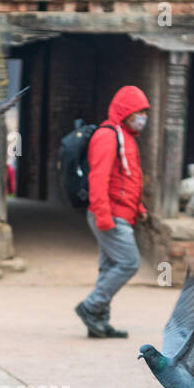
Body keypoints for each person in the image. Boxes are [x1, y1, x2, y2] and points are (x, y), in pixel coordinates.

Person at [74, 85, 151, 339]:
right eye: (139, 112)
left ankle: (99, 322)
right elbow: (99, 178)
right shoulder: (107, 136)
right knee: (129, 263)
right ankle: (90, 307)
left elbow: (127, 179)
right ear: (126, 112)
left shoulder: (127, 137)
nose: (143, 117)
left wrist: (138, 208)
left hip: (123, 213)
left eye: (144, 112)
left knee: (109, 268)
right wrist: (103, 215)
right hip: (109, 214)